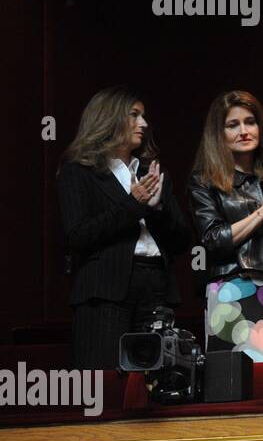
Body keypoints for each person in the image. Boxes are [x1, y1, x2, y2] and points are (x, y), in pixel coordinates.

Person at [57, 87, 191, 370]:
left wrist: (155, 210)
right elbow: (77, 235)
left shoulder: (150, 172)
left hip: (156, 288)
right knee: (105, 384)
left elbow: (181, 241)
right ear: (108, 118)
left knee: (156, 383)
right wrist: (134, 205)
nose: (143, 124)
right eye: (134, 115)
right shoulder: (78, 171)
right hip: (105, 292)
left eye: (144, 116)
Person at [188, 91, 263, 362]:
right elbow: (213, 240)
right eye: (233, 125)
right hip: (235, 290)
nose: (244, 131)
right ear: (218, 134)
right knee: (246, 383)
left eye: (250, 122)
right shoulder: (205, 181)